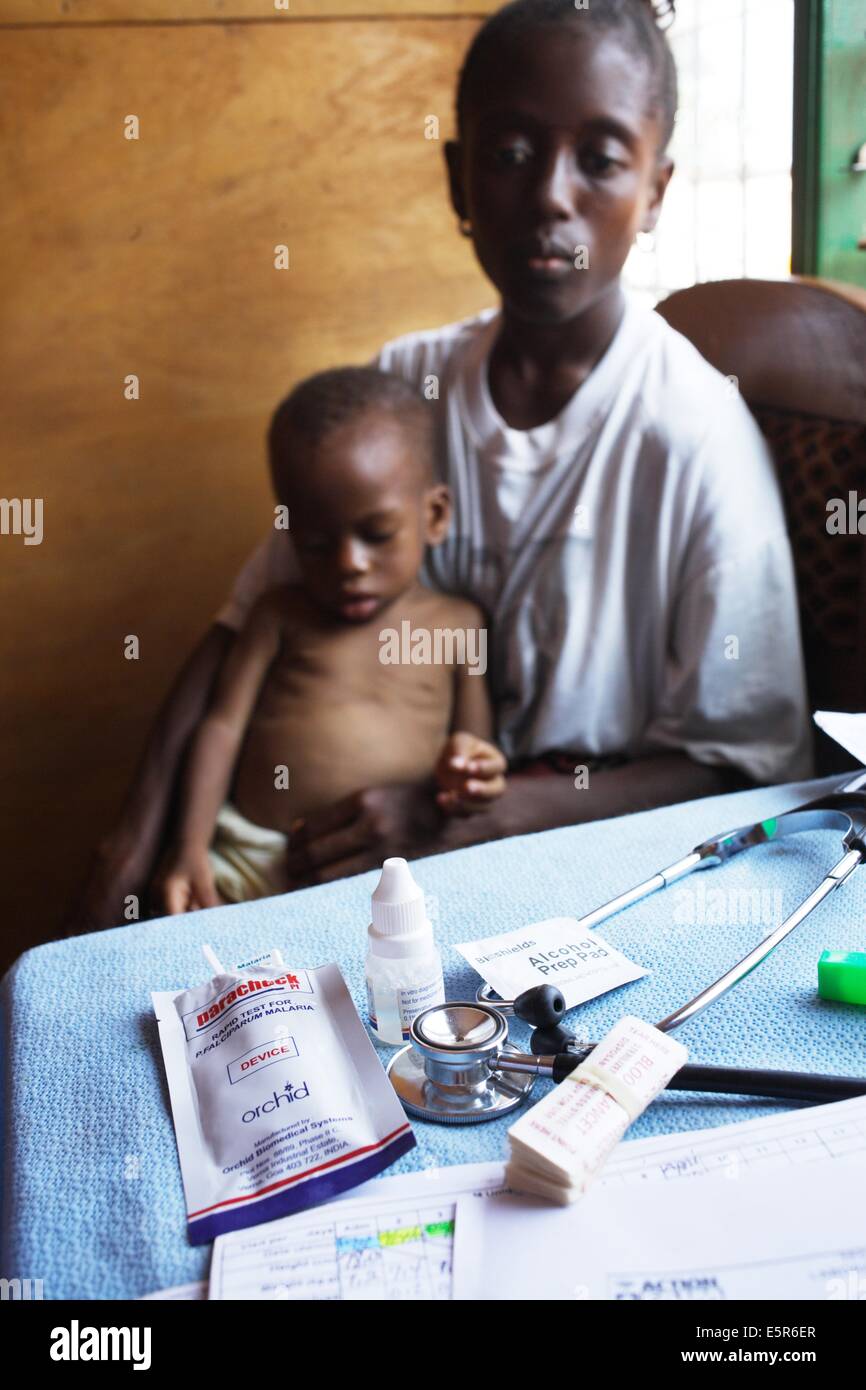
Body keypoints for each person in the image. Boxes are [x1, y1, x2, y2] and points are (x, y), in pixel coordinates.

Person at [68, 0, 811, 931]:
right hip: (327, 873)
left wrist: (485, 814)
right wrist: (133, 844)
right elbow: (240, 628)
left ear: (655, 191)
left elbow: (752, 771)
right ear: (459, 183)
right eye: (508, 154)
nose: (550, 194)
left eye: (602, 157)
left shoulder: (695, 436)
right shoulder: (401, 389)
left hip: (583, 876)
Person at [156, 367, 505, 911]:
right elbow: (222, 726)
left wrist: (473, 769)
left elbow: (474, 747)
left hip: (394, 870)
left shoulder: (457, 625)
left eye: (377, 535)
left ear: (434, 516)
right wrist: (189, 849)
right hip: (251, 857)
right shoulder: (279, 616)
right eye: (317, 544)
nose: (349, 564)